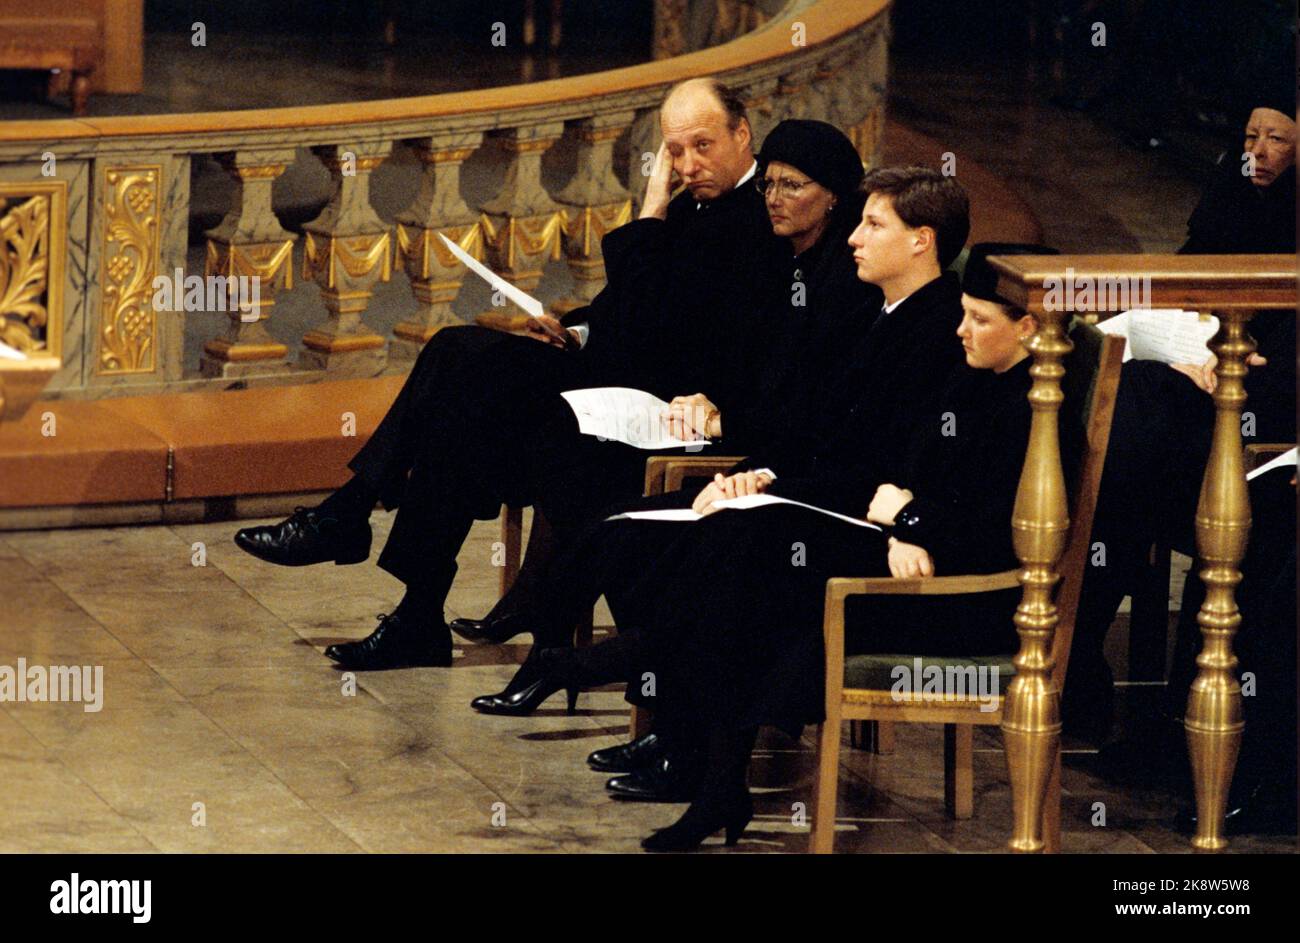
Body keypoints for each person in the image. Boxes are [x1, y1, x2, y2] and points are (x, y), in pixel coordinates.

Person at [515, 242, 1062, 850]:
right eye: (961, 313)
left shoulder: (1037, 411)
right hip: (900, 552)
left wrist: (907, 517)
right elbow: (900, 470)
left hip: (955, 594)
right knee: (747, 558)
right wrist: (899, 511)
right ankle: (717, 784)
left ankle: (616, 669)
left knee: (758, 549)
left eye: (979, 320)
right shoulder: (969, 376)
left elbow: (1002, 535)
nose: (960, 330)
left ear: (1029, 327)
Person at [233, 78, 786, 671]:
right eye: (674, 152)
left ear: (742, 133)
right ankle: (409, 601)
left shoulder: (762, 218)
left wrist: (650, 209)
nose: (686, 164)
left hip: (664, 411)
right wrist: (577, 331)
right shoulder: (695, 207)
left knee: (463, 367)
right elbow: (629, 311)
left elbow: (664, 331)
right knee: (460, 382)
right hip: (609, 380)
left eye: (701, 146)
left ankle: (357, 521)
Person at [468, 169, 979, 810]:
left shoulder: (941, 330)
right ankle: (659, 719)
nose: (853, 238)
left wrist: (766, 485)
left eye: (874, 224)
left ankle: (674, 736)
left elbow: (882, 464)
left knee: (712, 547)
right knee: (626, 522)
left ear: (921, 241)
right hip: (808, 492)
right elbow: (818, 427)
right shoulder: (881, 312)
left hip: (849, 522)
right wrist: (756, 472)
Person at [451, 118, 881, 644]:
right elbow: (647, 310)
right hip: (709, 411)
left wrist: (722, 415)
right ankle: (555, 625)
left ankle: (614, 646)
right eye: (769, 184)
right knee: (551, 426)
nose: (773, 198)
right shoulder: (784, 253)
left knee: (594, 475)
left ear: (834, 196)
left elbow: (804, 398)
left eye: (791, 186)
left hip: (757, 446)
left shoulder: (834, 278)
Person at [1062, 97, 1297, 744]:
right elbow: (1181, 283)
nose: (1258, 151)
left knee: (1126, 446)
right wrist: (1196, 344)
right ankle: (1082, 662)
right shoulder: (1231, 200)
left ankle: (1078, 661)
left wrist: (1233, 363)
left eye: (1278, 138)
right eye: (1250, 135)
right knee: (1130, 409)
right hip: (1205, 398)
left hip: (1267, 418)